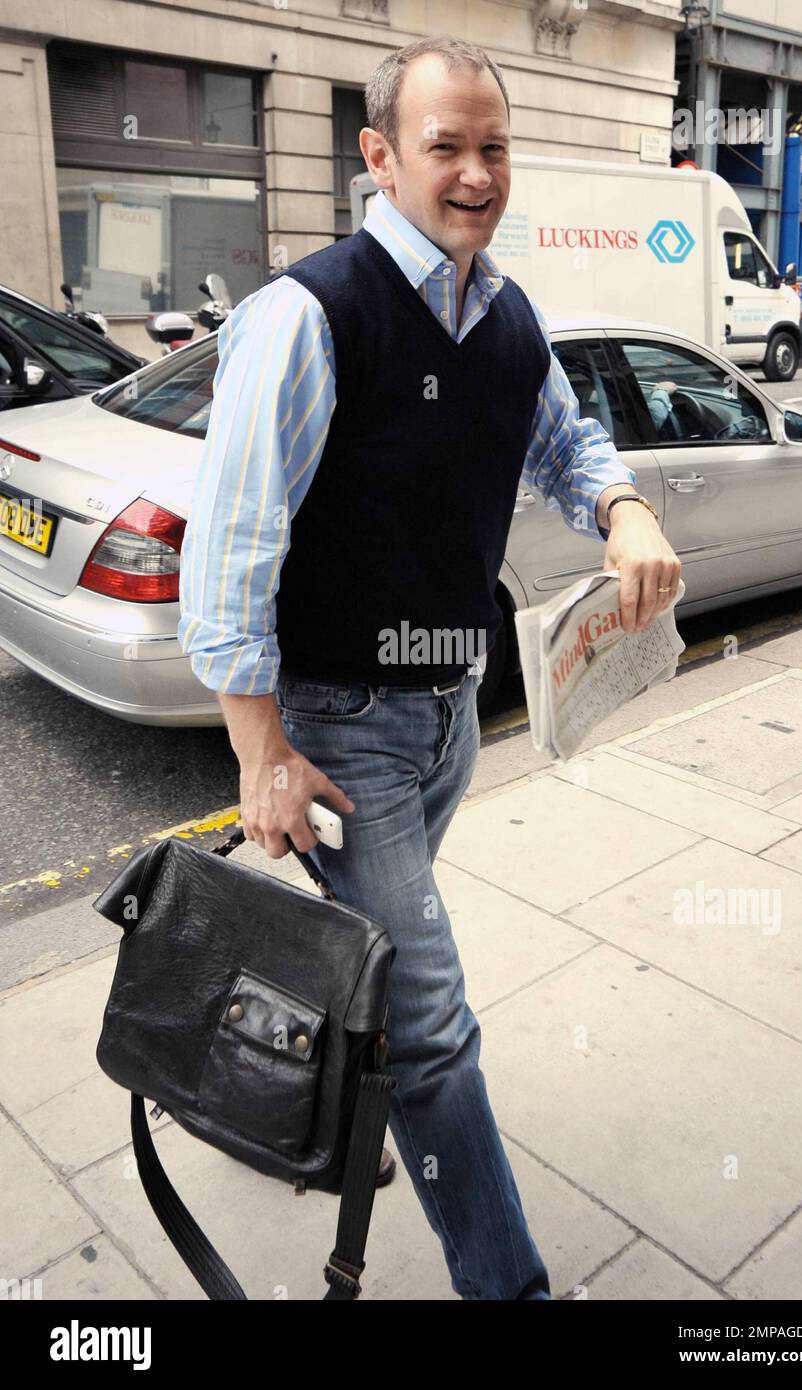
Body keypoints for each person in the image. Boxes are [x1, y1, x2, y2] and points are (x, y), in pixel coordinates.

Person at [178, 35, 682, 1300]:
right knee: (432, 1023)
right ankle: (508, 1287)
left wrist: (623, 509)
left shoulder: (509, 318)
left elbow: (565, 442)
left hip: (452, 714)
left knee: (372, 965)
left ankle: (287, 1096)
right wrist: (261, 754)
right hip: (339, 728)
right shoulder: (309, 314)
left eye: (492, 147)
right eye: (444, 145)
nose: (473, 172)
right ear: (380, 154)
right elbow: (232, 557)